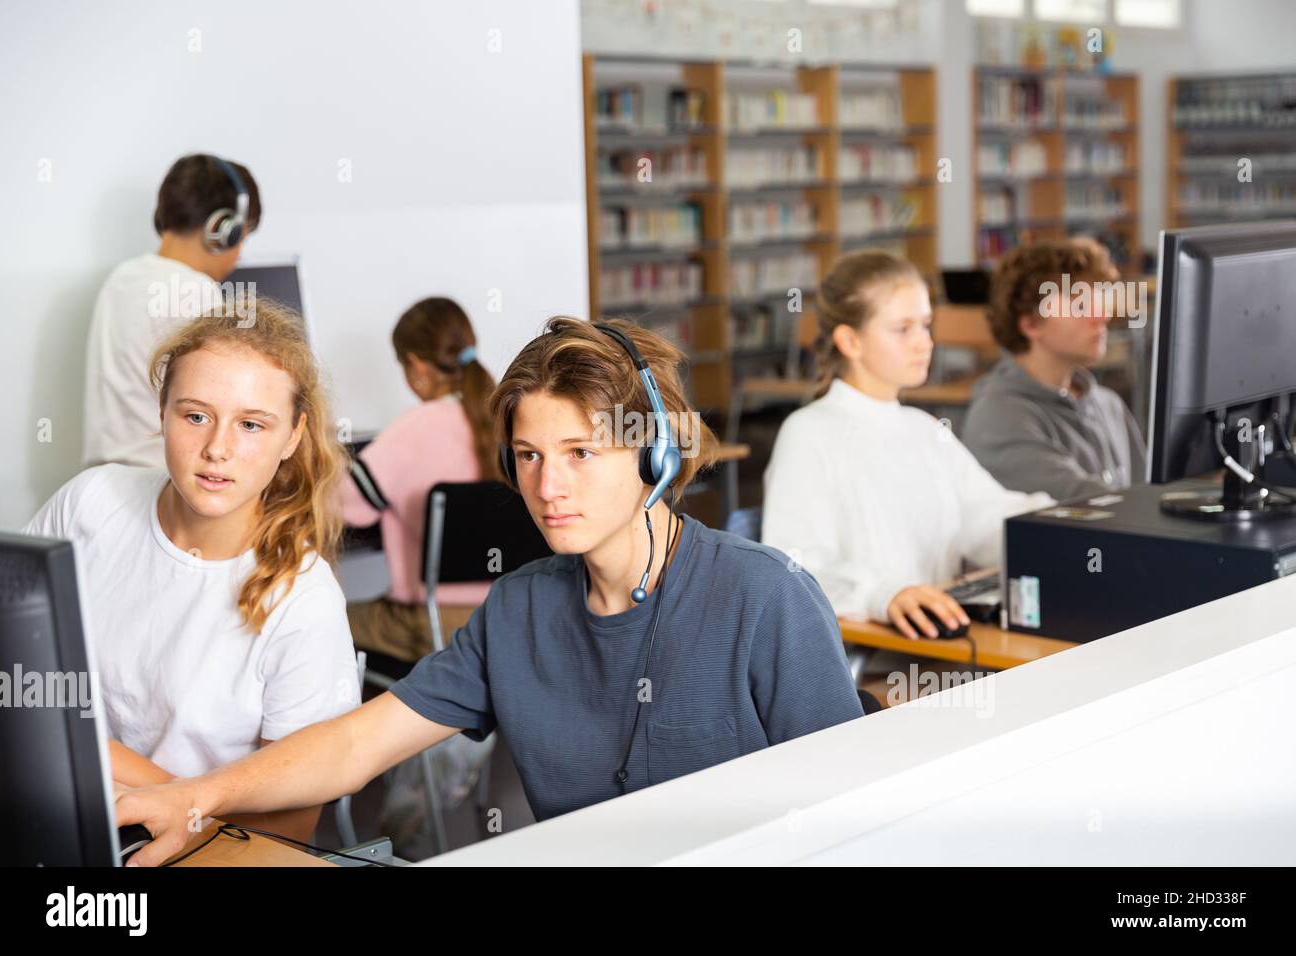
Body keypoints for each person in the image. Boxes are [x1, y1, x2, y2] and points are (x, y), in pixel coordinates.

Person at [114, 317, 865, 865]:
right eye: (530, 455)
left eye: (581, 453)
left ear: (655, 454)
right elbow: (354, 744)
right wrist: (196, 798)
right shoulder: (519, 609)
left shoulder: (765, 598)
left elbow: (859, 818)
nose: (548, 486)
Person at [28, 300, 357, 842]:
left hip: (199, 851)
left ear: (293, 437)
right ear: (162, 412)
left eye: (252, 424)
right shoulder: (92, 503)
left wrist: (99, 759)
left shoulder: (305, 603)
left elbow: (289, 829)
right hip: (55, 810)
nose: (217, 449)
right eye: (195, 415)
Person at [762, 250, 1053, 640]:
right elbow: (794, 566)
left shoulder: (924, 428)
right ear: (850, 340)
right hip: (869, 648)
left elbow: (984, 516)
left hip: (940, 639)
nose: (924, 343)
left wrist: (1057, 523)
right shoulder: (809, 433)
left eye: (926, 325)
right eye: (903, 329)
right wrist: (883, 594)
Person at [340, 297, 497, 662]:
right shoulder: (506, 417)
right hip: (505, 620)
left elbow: (348, 508)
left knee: (321, 623)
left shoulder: (414, 426)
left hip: (430, 626)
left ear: (414, 364)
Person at [83, 154, 262, 469]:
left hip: (103, 479)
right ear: (222, 230)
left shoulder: (122, 278)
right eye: (241, 240)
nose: (237, 258)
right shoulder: (197, 292)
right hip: (161, 482)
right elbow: (231, 407)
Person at [961, 238, 1147, 501]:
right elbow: (1097, 508)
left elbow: (1146, 494)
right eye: (1080, 304)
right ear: (1030, 324)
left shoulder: (1108, 405)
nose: (1103, 315)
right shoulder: (999, 420)